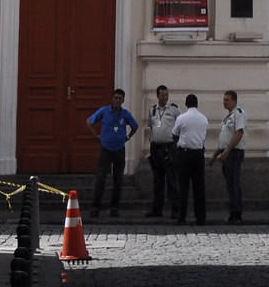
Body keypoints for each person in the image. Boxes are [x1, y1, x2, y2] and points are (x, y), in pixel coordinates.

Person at [87, 88, 139, 219]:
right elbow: (89, 121)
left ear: (123, 100)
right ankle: (95, 207)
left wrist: (128, 137)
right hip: (106, 149)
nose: (117, 101)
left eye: (120, 99)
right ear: (112, 99)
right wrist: (95, 136)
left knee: (118, 180)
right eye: (115, 98)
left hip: (119, 149)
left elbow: (135, 126)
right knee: (101, 178)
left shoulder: (125, 114)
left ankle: (114, 207)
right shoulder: (104, 111)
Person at [144, 84, 180, 218]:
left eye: (166, 95)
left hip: (169, 147)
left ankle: (175, 208)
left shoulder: (174, 109)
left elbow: (180, 126)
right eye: (162, 95)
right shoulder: (152, 110)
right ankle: (157, 208)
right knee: (158, 179)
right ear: (157, 96)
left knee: (172, 178)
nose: (165, 98)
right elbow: (151, 126)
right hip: (156, 147)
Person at [172, 93, 209, 224]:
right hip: (199, 154)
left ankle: (181, 217)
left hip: (185, 154)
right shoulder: (204, 119)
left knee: (183, 187)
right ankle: (201, 218)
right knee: (199, 187)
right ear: (197, 104)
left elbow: (174, 134)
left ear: (186, 104)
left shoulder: (182, 118)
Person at [211, 89, 246, 223]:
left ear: (234, 101)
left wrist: (227, 151)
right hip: (227, 153)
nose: (224, 102)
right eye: (224, 99)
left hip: (234, 153)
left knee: (234, 182)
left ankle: (236, 213)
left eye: (227, 100)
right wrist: (214, 156)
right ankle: (234, 211)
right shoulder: (228, 117)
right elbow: (224, 139)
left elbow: (239, 133)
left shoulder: (239, 114)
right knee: (230, 183)